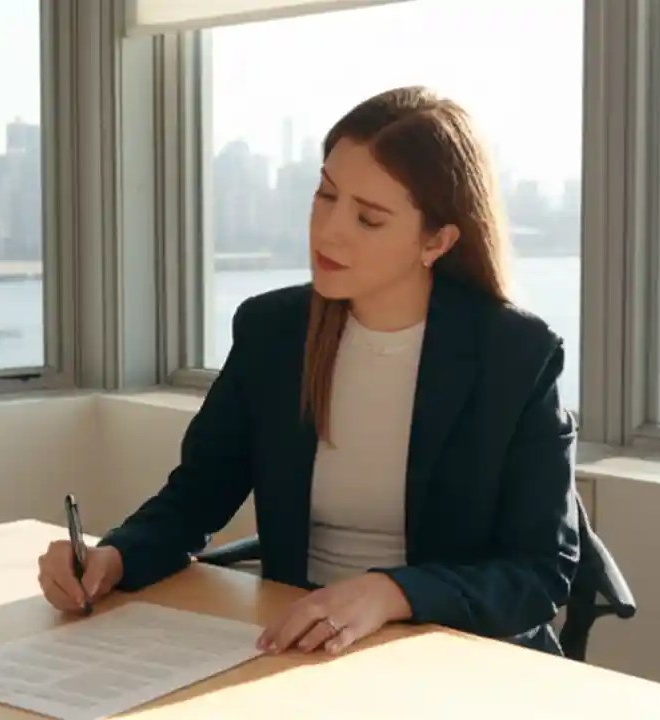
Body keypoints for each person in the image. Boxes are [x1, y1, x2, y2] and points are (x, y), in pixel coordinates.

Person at [37, 86, 580, 656]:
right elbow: (196, 496)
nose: (329, 230)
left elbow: (541, 571)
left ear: (437, 241)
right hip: (303, 643)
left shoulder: (515, 354)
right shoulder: (274, 331)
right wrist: (112, 557)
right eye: (325, 195)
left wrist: (390, 593)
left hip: (455, 653)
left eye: (368, 219)